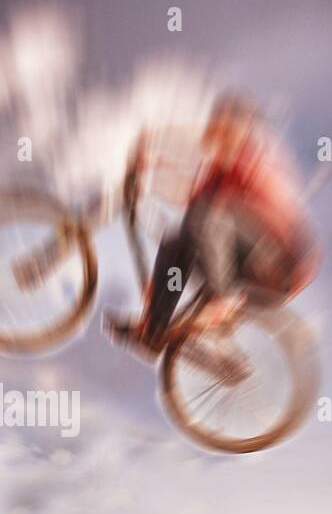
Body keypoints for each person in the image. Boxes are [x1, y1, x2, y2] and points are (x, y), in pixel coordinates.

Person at [106, 93, 319, 351]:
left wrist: (155, 167)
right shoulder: (218, 172)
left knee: (207, 213)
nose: (219, 138)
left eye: (227, 129)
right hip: (245, 267)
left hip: (279, 265)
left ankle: (221, 301)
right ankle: (154, 329)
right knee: (176, 241)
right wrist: (163, 281)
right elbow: (192, 207)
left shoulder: (255, 160)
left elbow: (218, 207)